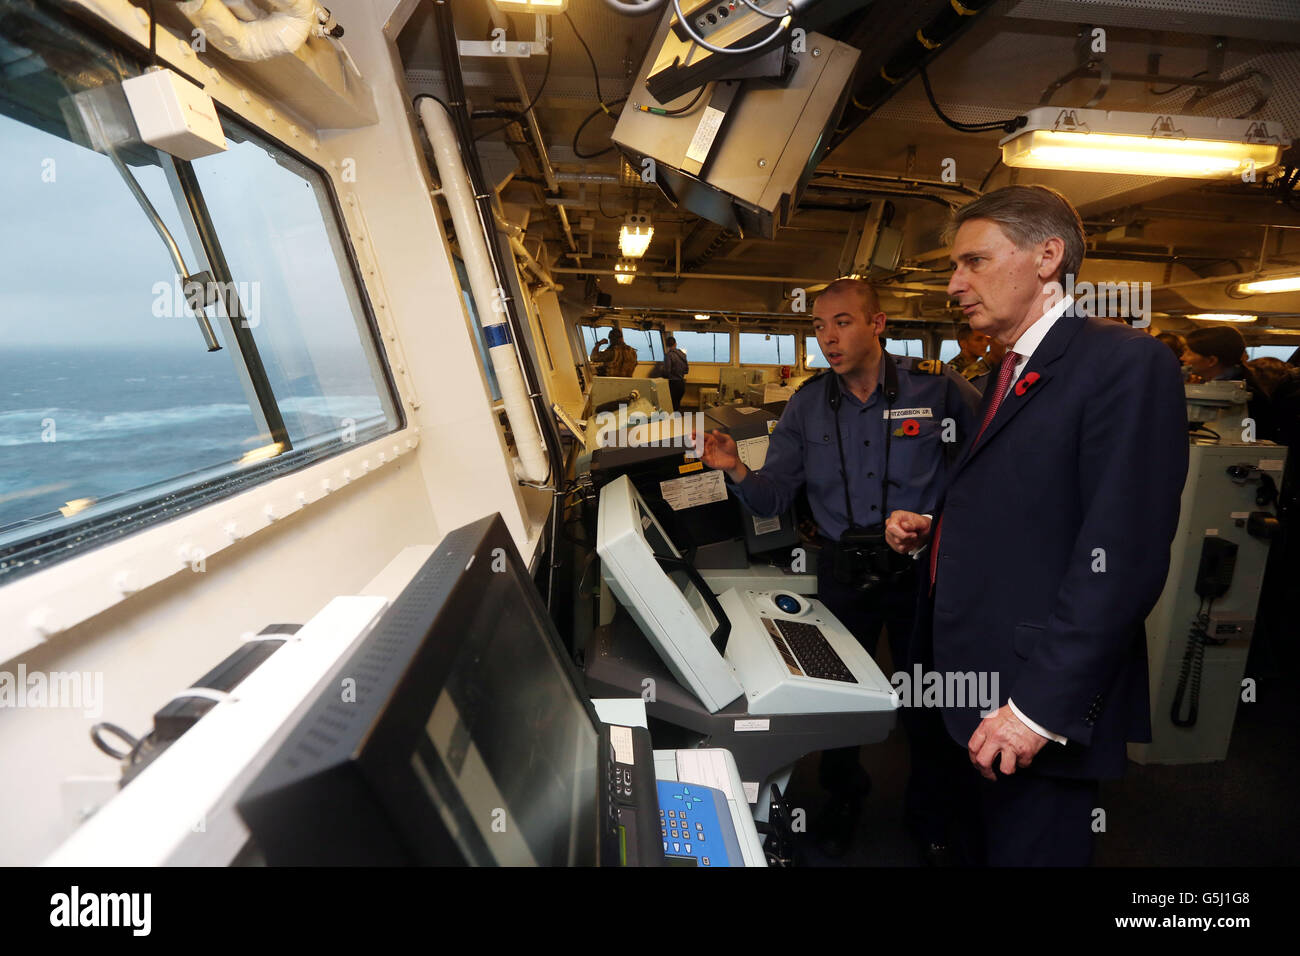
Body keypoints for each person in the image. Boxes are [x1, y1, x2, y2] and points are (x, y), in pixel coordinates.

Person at [885, 184, 1188, 866]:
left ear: (1048, 256)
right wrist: (942, 527)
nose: (955, 285)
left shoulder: (1124, 364)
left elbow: (1124, 555)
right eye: (953, 268)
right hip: (972, 681)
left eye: (974, 262)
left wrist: (1036, 711)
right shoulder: (1012, 366)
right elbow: (1040, 503)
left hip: (1030, 695)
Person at [700, 277, 981, 860]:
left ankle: (932, 811)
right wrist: (736, 471)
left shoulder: (939, 388)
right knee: (835, 697)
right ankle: (842, 798)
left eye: (843, 322)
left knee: (927, 701)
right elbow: (776, 497)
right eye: (819, 327)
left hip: (922, 569)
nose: (828, 338)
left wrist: (940, 522)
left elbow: (987, 471)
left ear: (878, 324)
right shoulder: (807, 404)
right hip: (844, 571)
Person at [1183, 326, 1274, 439]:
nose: (1182, 358)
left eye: (1189, 353)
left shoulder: (1248, 397)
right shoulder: (1207, 387)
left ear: (1212, 361)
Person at [664, 335, 689, 411]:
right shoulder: (683, 354)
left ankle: (672, 421)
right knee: (677, 405)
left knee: (672, 406)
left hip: (673, 384)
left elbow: (667, 371)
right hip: (681, 384)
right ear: (675, 344)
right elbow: (686, 370)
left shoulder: (668, 355)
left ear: (667, 345)